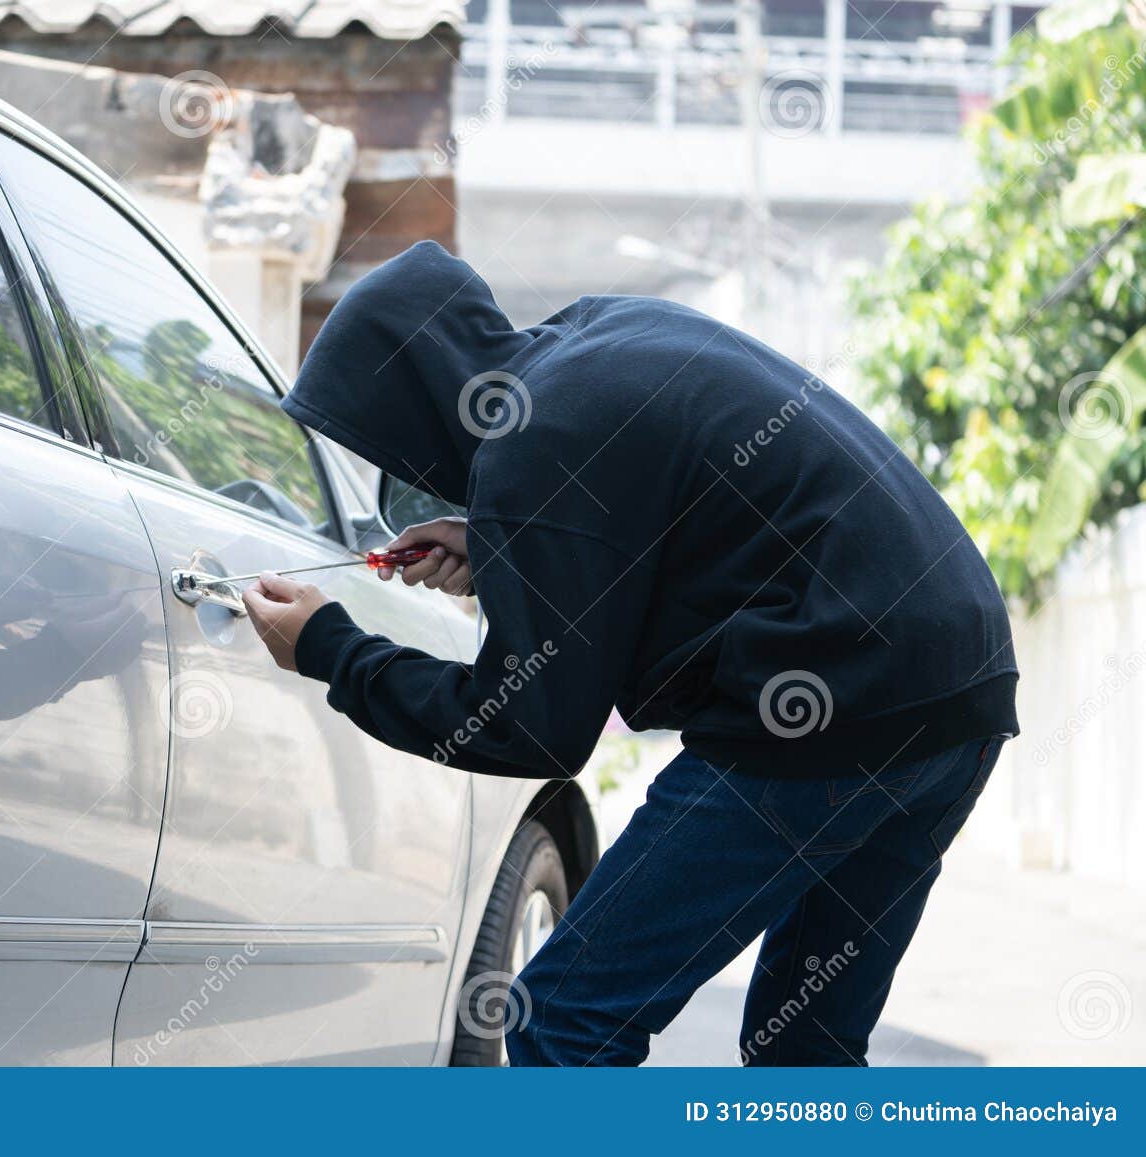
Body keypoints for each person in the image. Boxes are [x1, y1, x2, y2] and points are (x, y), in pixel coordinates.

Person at [241, 240, 1018, 1066]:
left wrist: (329, 647)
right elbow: (659, 508)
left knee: (565, 1018)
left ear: (415, 403)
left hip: (837, 694)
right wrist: (501, 547)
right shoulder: (603, 334)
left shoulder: (531, 450)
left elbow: (527, 729)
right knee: (808, 1046)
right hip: (959, 680)